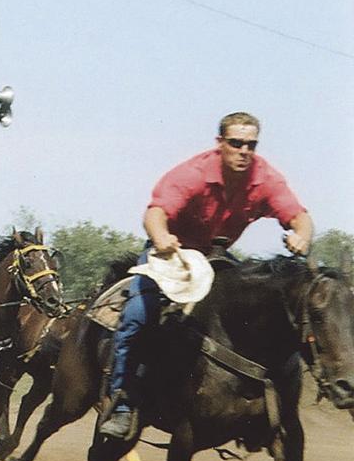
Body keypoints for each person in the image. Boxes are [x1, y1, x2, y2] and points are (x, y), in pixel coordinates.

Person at [98, 111, 313, 439]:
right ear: (220, 143)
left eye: (251, 145)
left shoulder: (265, 177)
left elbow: (298, 216)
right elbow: (155, 214)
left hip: (215, 258)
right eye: (236, 143)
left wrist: (302, 236)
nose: (244, 151)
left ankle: (261, 409)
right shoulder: (193, 174)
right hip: (172, 255)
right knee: (138, 315)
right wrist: (162, 239)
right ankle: (123, 402)